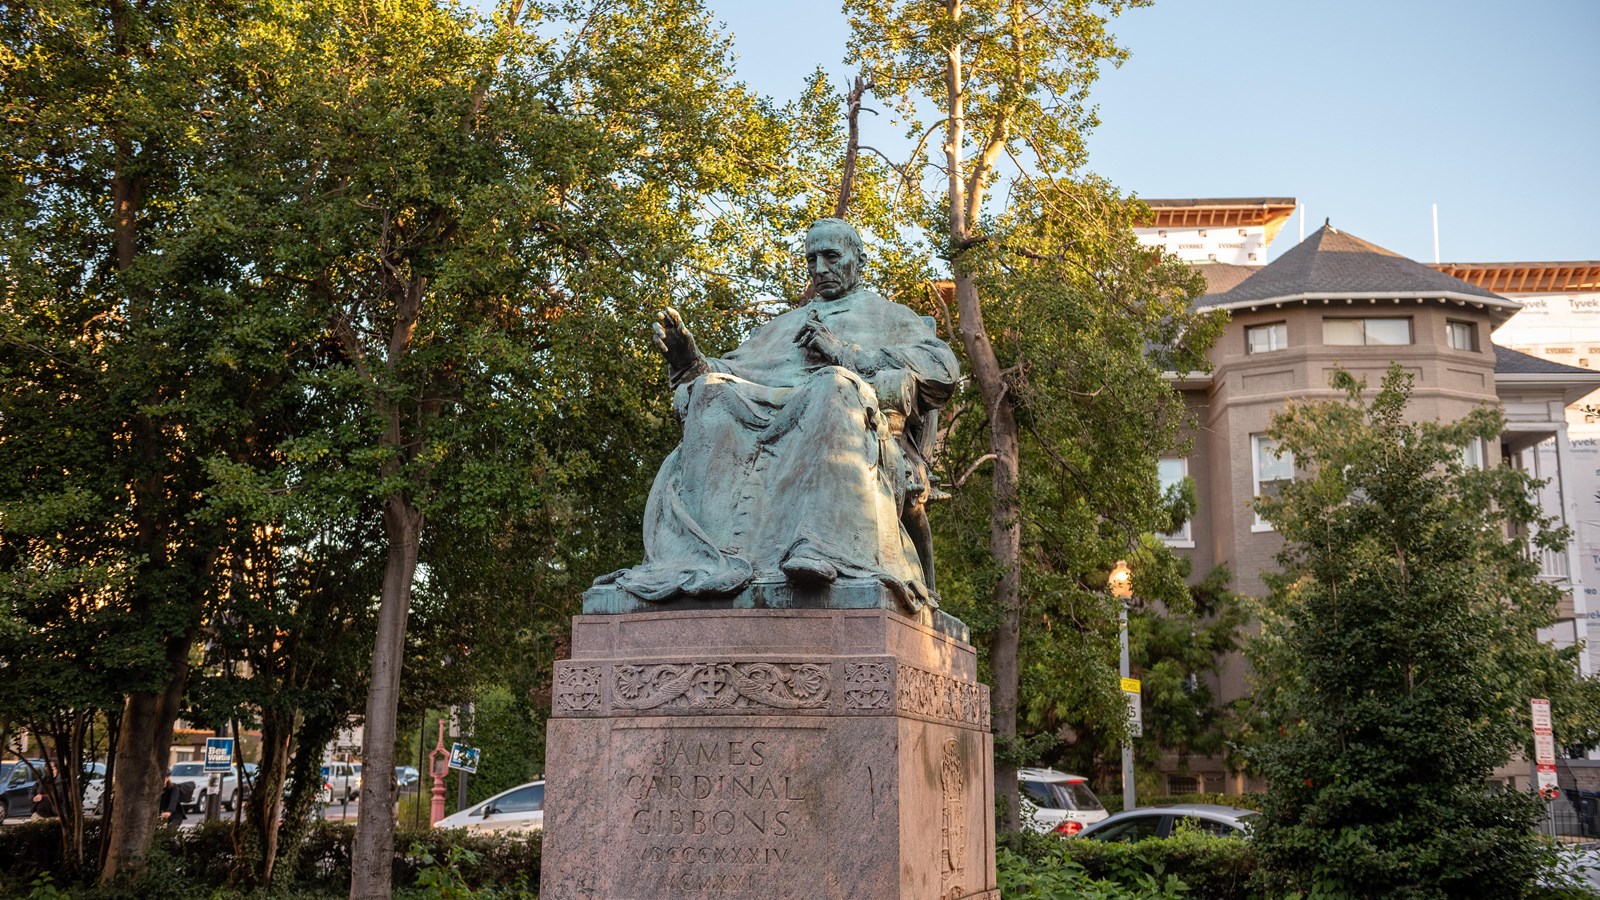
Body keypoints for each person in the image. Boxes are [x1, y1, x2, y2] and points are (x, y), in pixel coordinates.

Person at [594, 218, 959, 612]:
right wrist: (689, 360)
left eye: (831, 257)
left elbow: (942, 370)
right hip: (767, 419)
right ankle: (701, 558)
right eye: (811, 260)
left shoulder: (889, 316)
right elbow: (734, 370)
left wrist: (846, 353)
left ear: (858, 260)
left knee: (833, 384)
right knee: (710, 391)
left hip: (840, 420)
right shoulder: (783, 326)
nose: (820, 269)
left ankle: (820, 548)